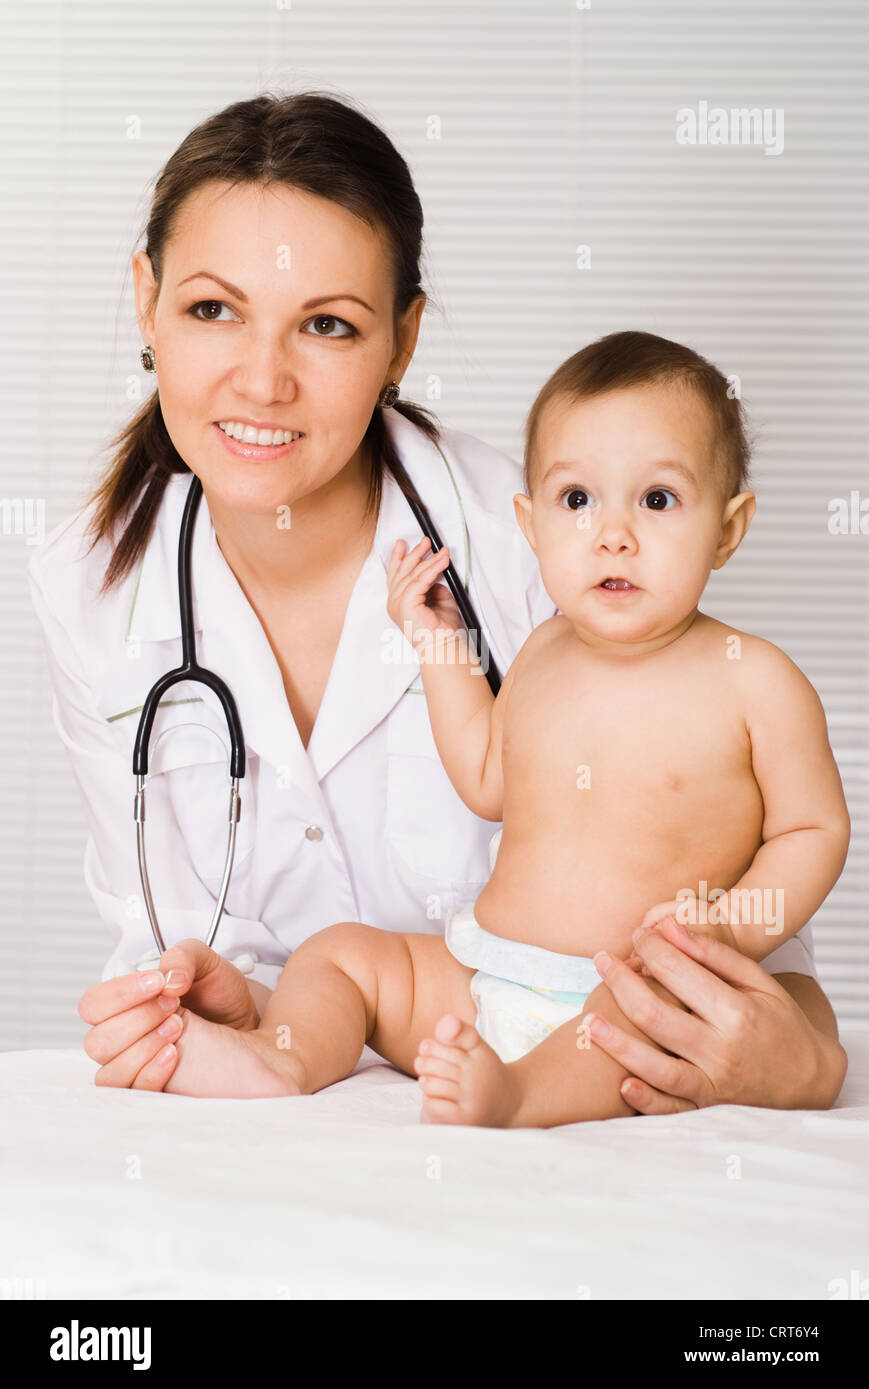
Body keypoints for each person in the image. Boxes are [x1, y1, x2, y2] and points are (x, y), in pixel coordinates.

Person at [29, 91, 846, 1113]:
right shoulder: (87, 584)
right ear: (146, 300)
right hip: (358, 1053)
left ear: (401, 342)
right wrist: (234, 1004)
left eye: (327, 325)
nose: (263, 380)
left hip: (575, 1028)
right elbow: (170, 934)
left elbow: (734, 884)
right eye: (212, 309)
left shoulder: (551, 548)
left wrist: (806, 1056)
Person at [144, 331, 851, 1125]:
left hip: (633, 989)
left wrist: (728, 927)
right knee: (344, 954)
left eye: (656, 500)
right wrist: (440, 643)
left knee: (634, 1011)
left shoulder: (750, 676)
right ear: (531, 524)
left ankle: (518, 1098)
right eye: (576, 501)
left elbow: (813, 828)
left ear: (727, 528)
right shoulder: (546, 649)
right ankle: (286, 1054)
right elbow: (485, 778)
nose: (612, 534)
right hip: (484, 977)